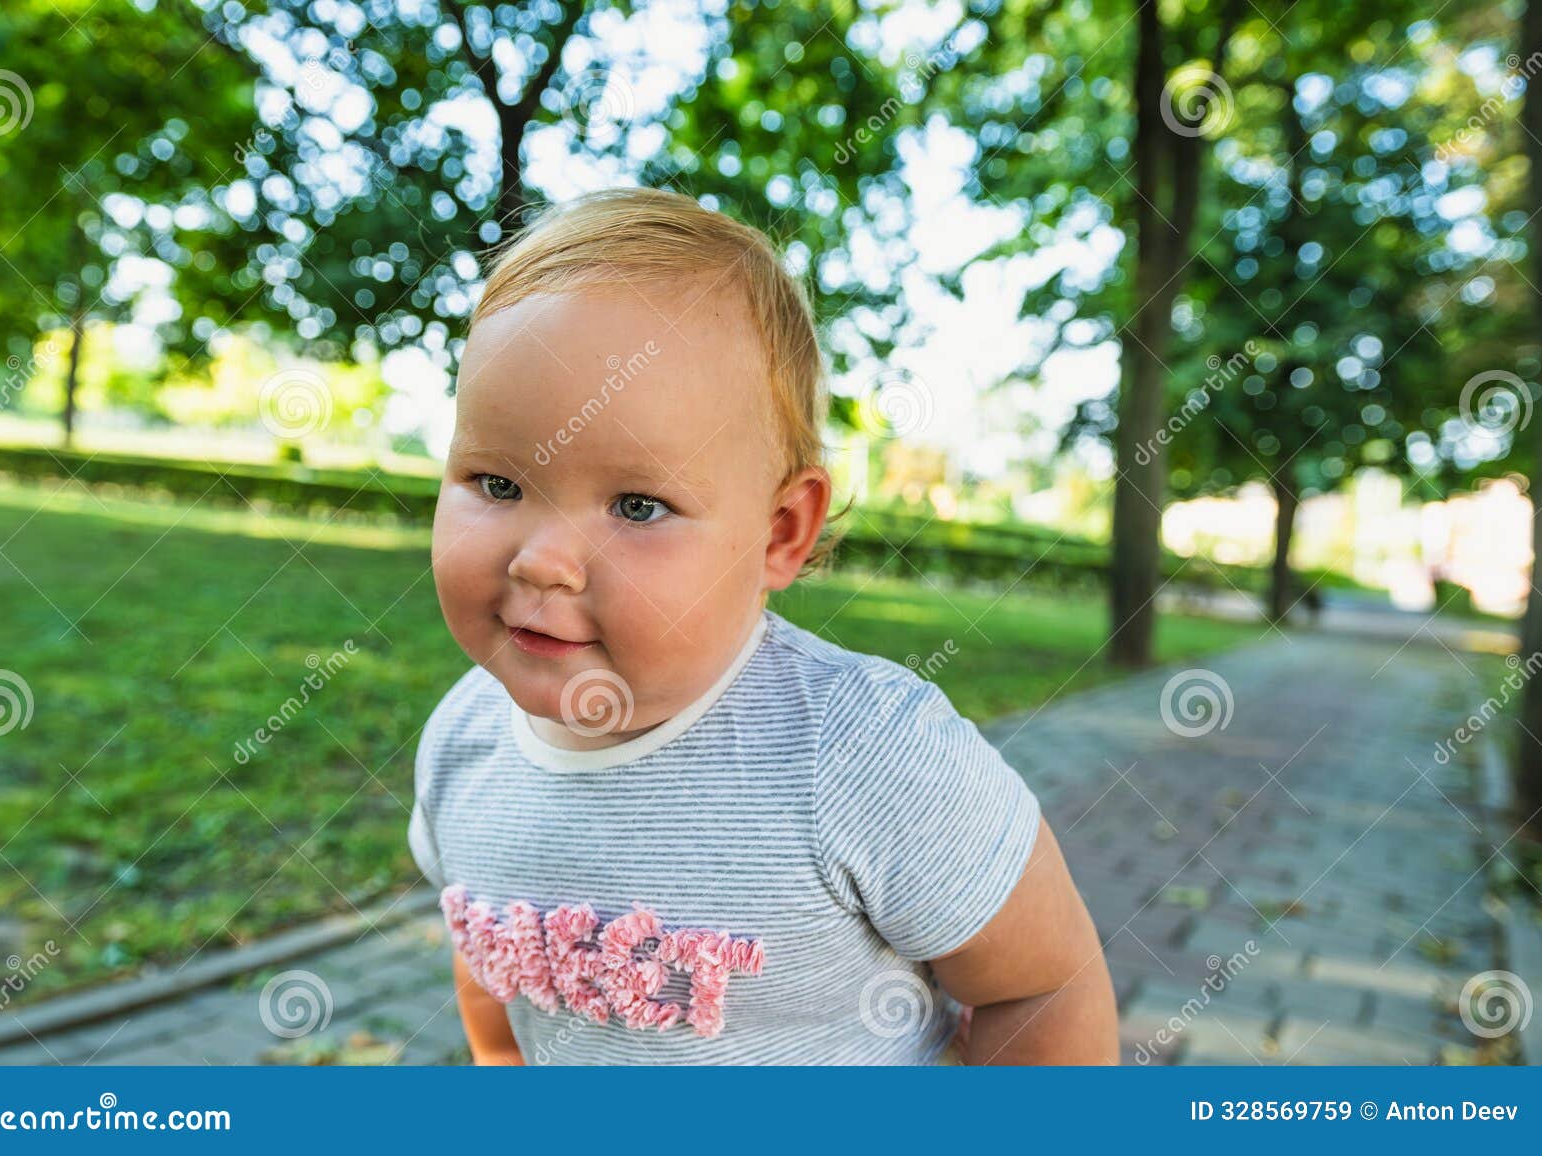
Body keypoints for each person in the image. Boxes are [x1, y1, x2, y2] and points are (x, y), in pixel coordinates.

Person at [408, 186, 1117, 1065]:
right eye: (498, 483)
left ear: (780, 532)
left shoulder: (866, 755)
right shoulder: (459, 746)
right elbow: (492, 971)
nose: (542, 560)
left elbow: (1041, 982)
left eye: (638, 503)